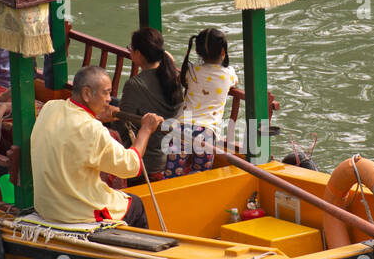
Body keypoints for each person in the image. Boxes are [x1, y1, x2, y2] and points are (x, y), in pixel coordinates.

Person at [31, 65, 162, 227]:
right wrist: (146, 130)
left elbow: (75, 128)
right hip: (73, 212)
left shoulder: (51, 107)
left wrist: (97, 116)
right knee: (135, 205)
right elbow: (131, 166)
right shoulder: (93, 129)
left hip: (47, 206)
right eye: (105, 92)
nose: (109, 99)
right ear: (86, 93)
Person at [165, 27, 238, 178]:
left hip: (182, 128)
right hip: (207, 132)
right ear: (223, 52)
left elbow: (183, 78)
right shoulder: (229, 73)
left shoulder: (191, 71)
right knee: (200, 174)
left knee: (172, 173)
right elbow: (234, 83)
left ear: (197, 52)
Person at [115, 28, 183, 184]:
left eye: (130, 49)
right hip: (171, 158)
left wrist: (112, 114)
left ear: (138, 54)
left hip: (146, 165)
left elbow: (122, 127)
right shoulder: (174, 77)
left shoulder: (135, 85)